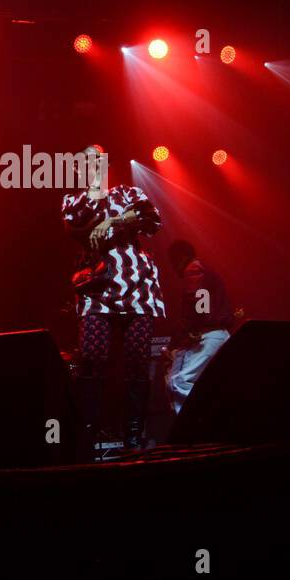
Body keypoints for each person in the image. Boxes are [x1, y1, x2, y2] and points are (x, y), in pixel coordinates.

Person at [61, 146, 166, 458]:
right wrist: (103, 213)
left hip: (137, 286)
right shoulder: (74, 200)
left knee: (137, 362)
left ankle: (134, 438)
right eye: (87, 162)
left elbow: (152, 219)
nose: (94, 166)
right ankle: (87, 438)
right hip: (97, 287)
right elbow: (75, 226)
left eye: (99, 161)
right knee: (92, 358)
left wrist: (115, 221)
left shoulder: (128, 192)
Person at [163, 239, 234, 413]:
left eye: (173, 260)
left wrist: (188, 332)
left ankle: (208, 413)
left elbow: (200, 306)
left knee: (177, 381)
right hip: (217, 336)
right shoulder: (205, 269)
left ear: (181, 257)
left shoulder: (193, 270)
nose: (173, 266)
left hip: (206, 336)